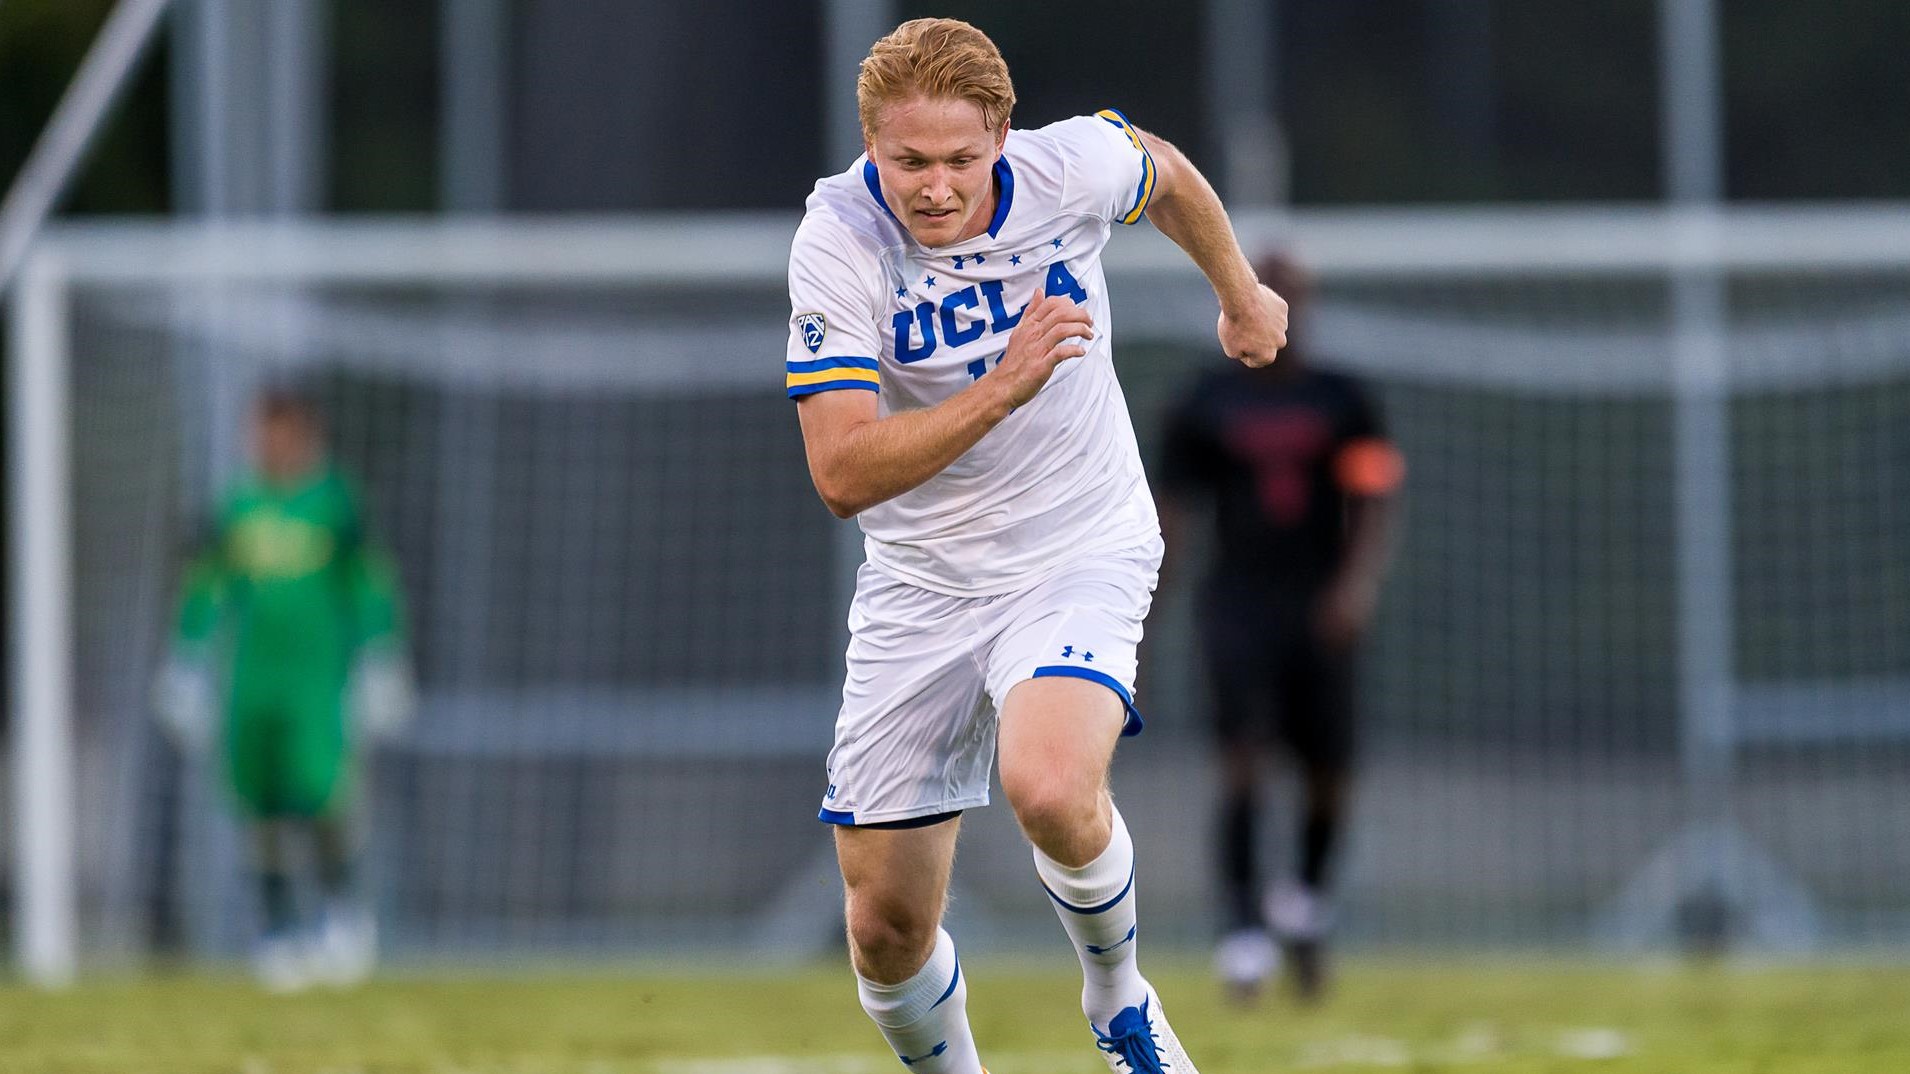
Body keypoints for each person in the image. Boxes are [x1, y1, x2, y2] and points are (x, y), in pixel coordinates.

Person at [784, 17, 1287, 1073]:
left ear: (1003, 137)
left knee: (1050, 787)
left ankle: (1119, 1002)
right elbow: (840, 472)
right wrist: (1002, 384)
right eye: (906, 161)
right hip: (919, 586)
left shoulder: (1071, 167)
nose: (933, 187)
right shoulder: (837, 239)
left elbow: (1168, 176)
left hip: (1077, 546)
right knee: (882, 931)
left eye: (960, 160)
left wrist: (1236, 293)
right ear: (869, 141)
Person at [1154, 253, 1404, 1003]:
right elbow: (1175, 517)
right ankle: (1242, 935)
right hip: (1237, 606)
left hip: (1319, 607)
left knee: (1329, 775)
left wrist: (1354, 588)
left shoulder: (1345, 400)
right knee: (1242, 762)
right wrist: (1143, 614)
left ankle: (1303, 901)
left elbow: (1373, 500)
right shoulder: (1203, 403)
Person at [153, 386, 414, 991]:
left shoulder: (335, 504)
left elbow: (369, 580)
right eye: (262, 432)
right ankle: (279, 931)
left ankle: (344, 917)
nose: (270, 444)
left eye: (282, 431)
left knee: (324, 801)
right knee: (259, 809)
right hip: (251, 684)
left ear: (305, 435)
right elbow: (206, 586)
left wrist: (382, 654)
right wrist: (186, 663)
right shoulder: (237, 506)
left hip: (314, 683)